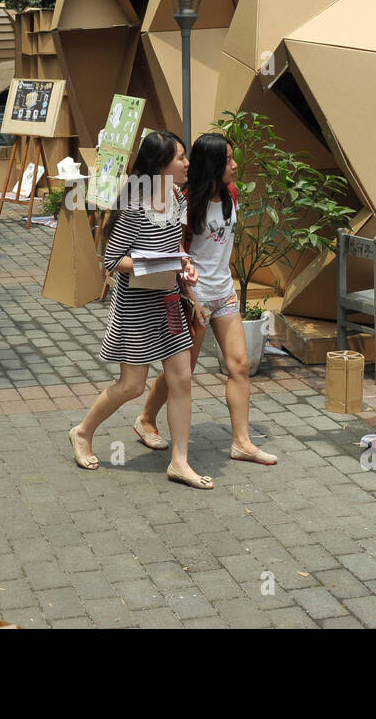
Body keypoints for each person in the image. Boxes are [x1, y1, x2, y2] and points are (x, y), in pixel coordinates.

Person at [68, 131, 213, 490]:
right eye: (180, 157)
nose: (186, 164)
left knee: (181, 380)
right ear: (160, 165)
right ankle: (83, 431)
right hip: (136, 305)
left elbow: (174, 246)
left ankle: (179, 462)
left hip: (168, 302)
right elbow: (113, 261)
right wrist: (153, 265)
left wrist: (185, 269)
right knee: (132, 386)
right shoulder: (133, 203)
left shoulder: (177, 197)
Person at [135, 132, 276, 465]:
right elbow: (174, 252)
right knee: (184, 371)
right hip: (192, 298)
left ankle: (242, 441)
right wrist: (189, 294)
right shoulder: (186, 201)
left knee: (239, 365)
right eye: (228, 160)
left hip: (223, 292)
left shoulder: (231, 193)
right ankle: (145, 417)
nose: (235, 165)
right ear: (212, 164)